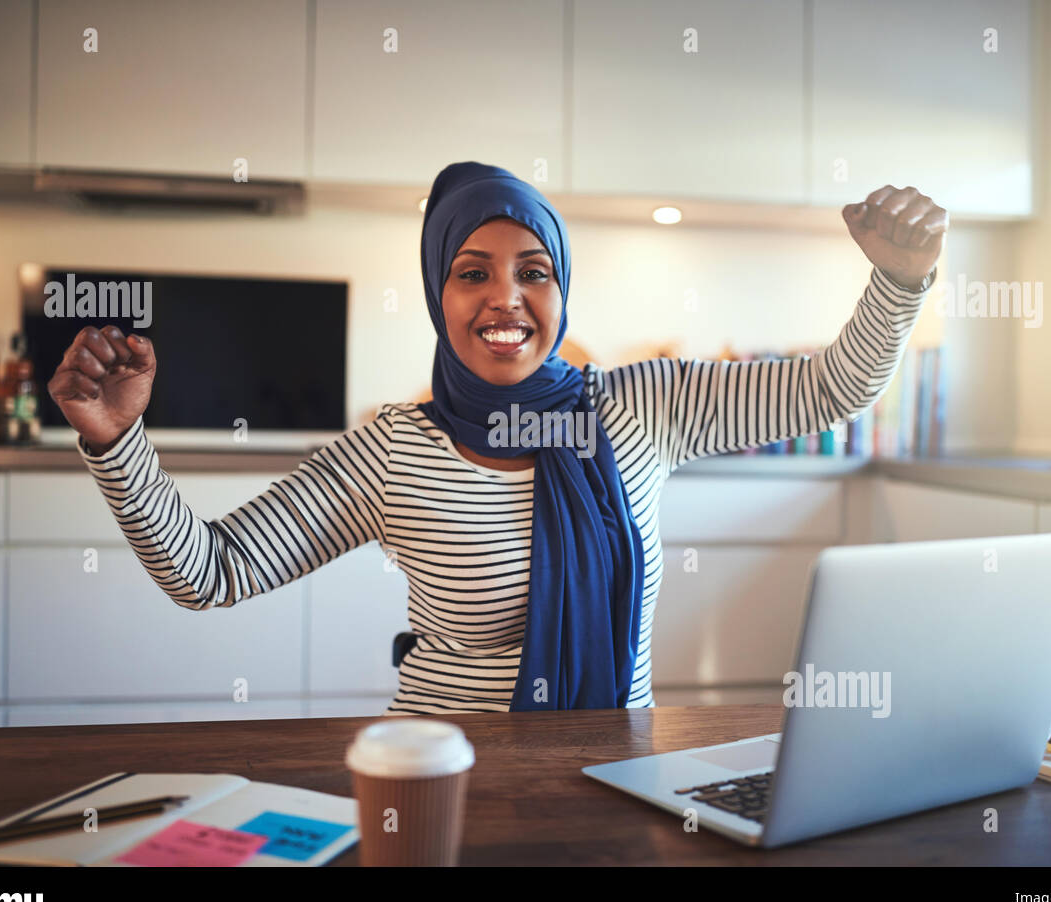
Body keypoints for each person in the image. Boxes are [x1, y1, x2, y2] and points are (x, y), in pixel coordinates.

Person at [47, 161, 946, 716]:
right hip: (444, 777)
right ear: (441, 295)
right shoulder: (393, 450)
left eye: (534, 270)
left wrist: (900, 284)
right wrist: (118, 442)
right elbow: (212, 572)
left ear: (562, 290)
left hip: (616, 769)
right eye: (473, 272)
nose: (506, 298)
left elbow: (836, 385)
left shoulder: (644, 407)